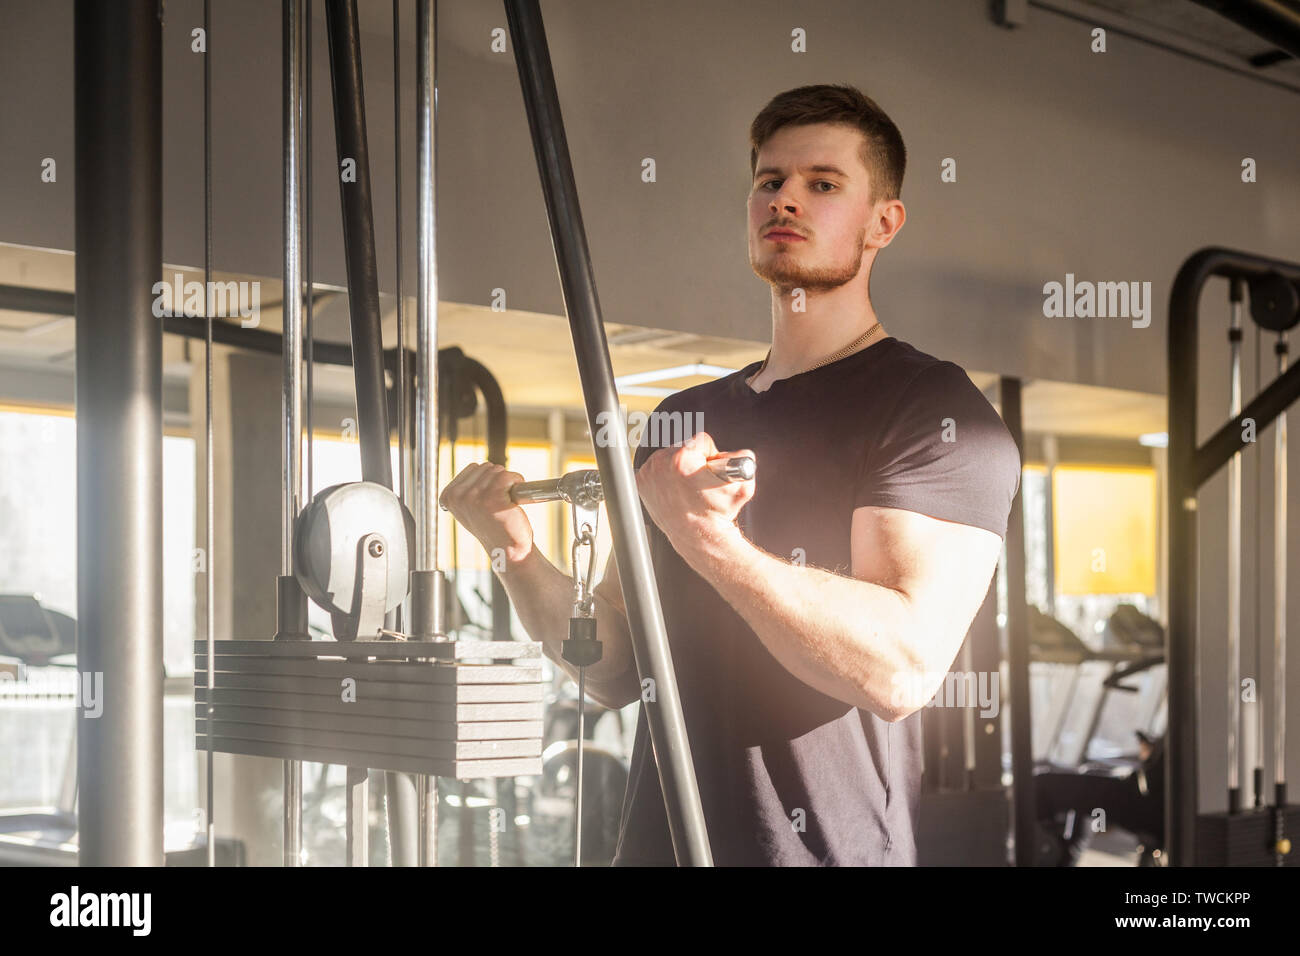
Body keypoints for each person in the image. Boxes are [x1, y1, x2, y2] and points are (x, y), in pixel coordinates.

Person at [439, 84, 1022, 865]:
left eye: (823, 183)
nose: (785, 199)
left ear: (884, 221)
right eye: (768, 181)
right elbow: (611, 666)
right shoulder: (682, 416)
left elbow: (901, 670)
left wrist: (711, 542)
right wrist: (515, 555)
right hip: (659, 846)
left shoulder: (932, 408)